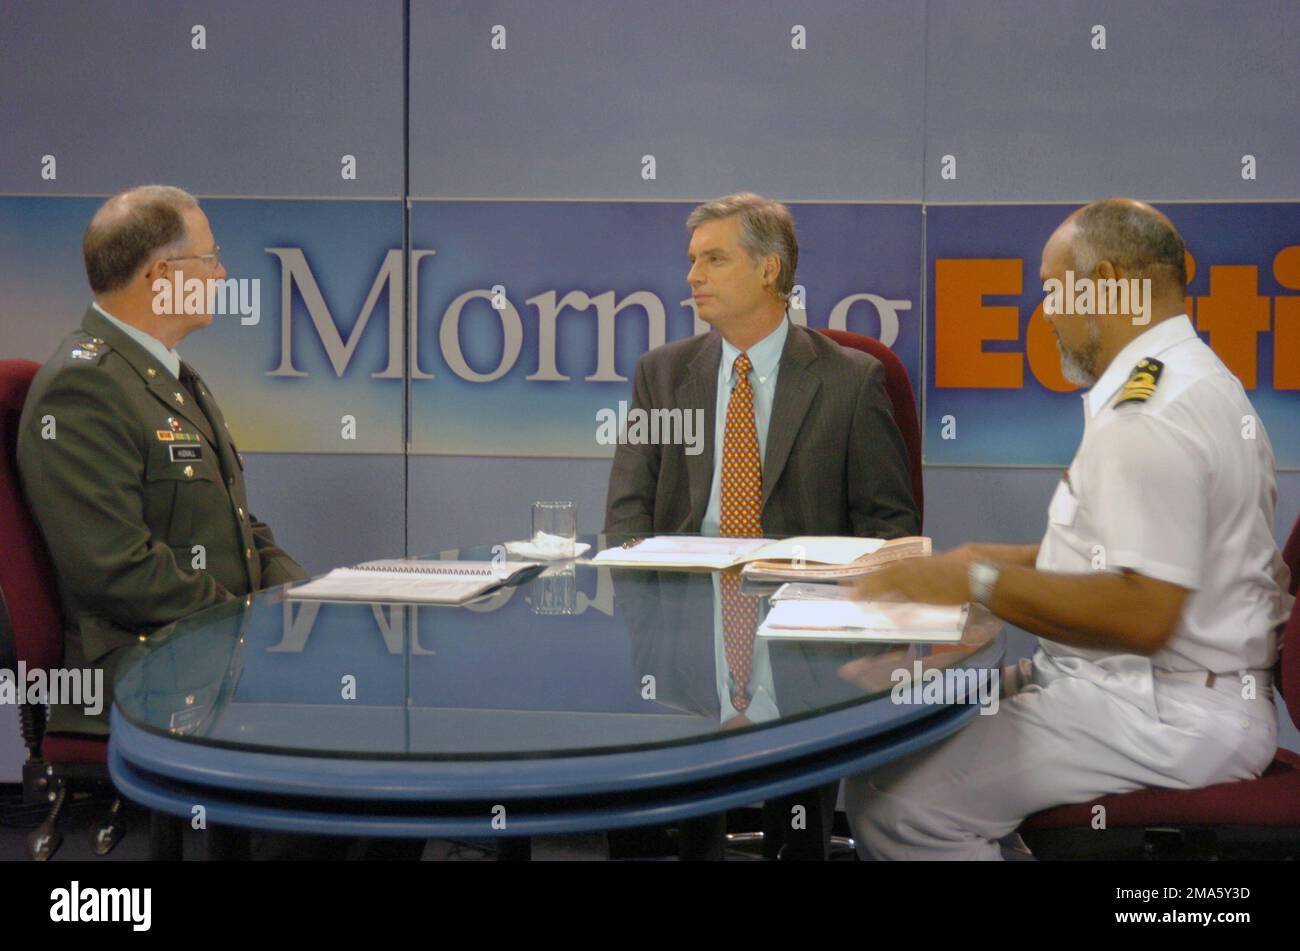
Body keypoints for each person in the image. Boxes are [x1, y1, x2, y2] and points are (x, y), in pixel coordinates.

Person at [843, 197, 1293, 860]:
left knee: (900, 805)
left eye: (1053, 290)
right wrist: (969, 565)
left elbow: (1143, 612)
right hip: (1147, 689)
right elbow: (1113, 555)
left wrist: (977, 577)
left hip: (1165, 711)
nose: (1047, 312)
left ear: (1107, 283)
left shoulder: (1151, 411)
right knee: (890, 748)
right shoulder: (1177, 382)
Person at [17, 185, 305, 737]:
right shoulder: (85, 387)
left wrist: (305, 603)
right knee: (329, 744)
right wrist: (245, 626)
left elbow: (238, 528)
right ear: (159, 276)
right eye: (210, 259)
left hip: (201, 644)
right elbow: (116, 570)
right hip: (143, 665)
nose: (222, 277)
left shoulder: (167, 376)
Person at [604, 192, 918, 540]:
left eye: (715, 259)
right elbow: (626, 514)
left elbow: (887, 526)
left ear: (768, 269)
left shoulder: (852, 381)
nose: (694, 276)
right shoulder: (659, 375)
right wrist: (639, 595)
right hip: (684, 585)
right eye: (693, 260)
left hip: (802, 587)